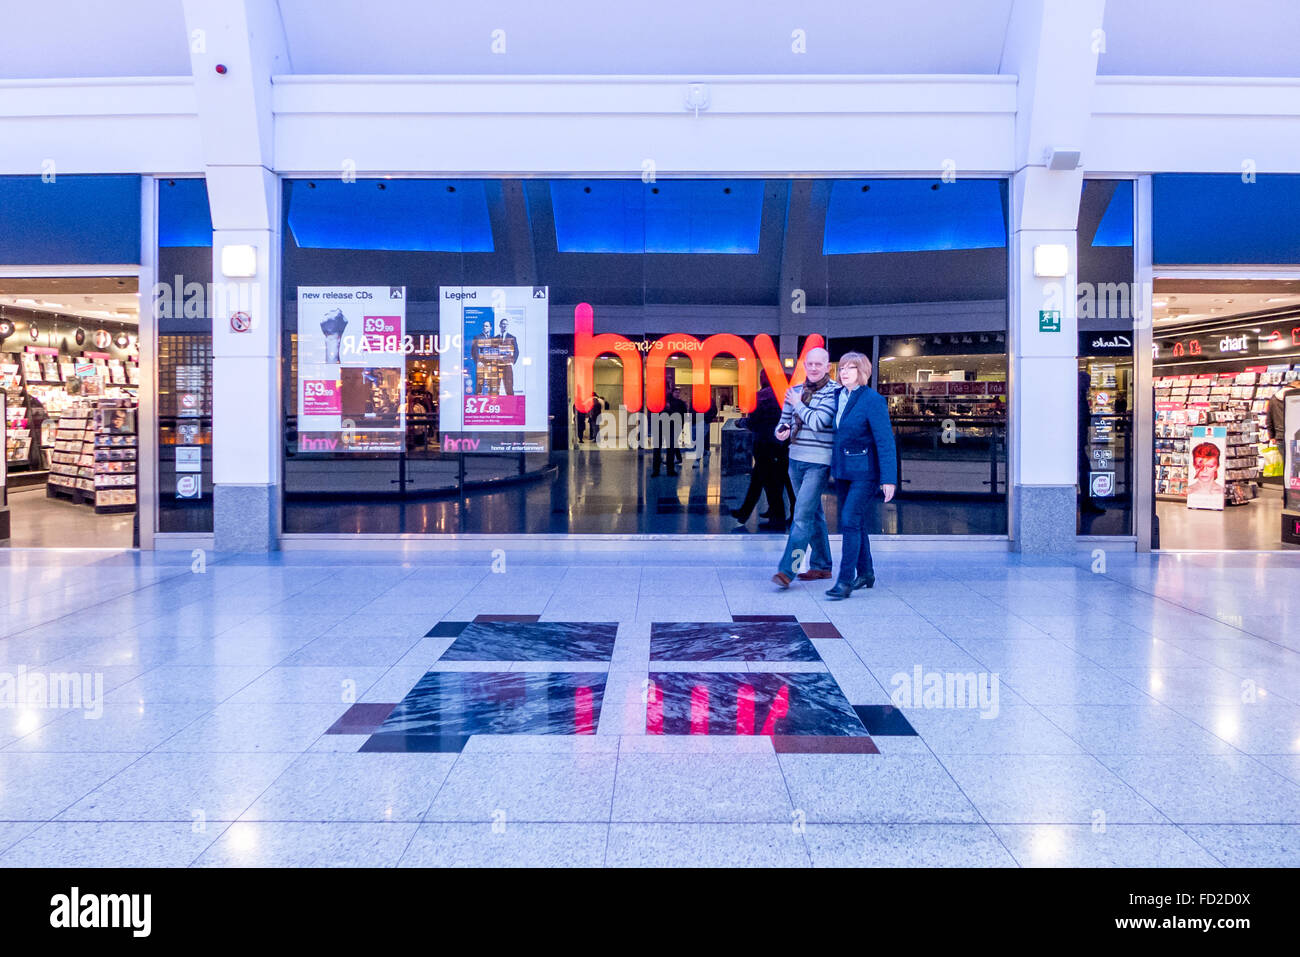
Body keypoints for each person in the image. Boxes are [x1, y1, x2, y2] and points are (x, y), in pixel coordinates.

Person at [824, 352, 897, 599]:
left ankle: (844, 581)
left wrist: (889, 479)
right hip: (843, 470)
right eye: (842, 368)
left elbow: (885, 440)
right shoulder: (837, 396)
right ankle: (866, 573)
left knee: (848, 520)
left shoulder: (872, 400)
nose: (844, 372)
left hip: (866, 473)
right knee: (856, 522)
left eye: (851, 368)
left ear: (863, 372)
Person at [772, 347, 838, 588]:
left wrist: (798, 405)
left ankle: (787, 570)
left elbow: (820, 423)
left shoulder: (834, 393)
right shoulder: (794, 391)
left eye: (818, 364)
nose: (812, 368)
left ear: (827, 366)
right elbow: (783, 423)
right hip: (795, 459)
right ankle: (822, 566)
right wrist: (782, 433)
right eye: (809, 364)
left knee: (801, 515)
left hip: (819, 462)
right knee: (814, 513)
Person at [731, 371, 786, 530]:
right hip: (778, 443)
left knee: (769, 482)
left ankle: (778, 519)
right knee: (759, 480)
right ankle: (744, 513)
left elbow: (753, 422)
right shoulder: (782, 395)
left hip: (763, 443)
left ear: (762, 379)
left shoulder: (760, 396)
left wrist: (740, 422)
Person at [652, 387, 687, 476]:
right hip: (666, 426)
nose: (677, 393)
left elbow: (683, 416)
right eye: (676, 392)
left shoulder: (676, 403)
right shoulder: (676, 403)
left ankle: (659, 470)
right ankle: (666, 470)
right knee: (666, 448)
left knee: (665, 448)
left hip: (667, 426)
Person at [497, 316, 520, 395]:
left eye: (506, 324)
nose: (504, 326)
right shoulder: (495, 338)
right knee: (496, 386)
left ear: (508, 326)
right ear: (500, 325)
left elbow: (516, 351)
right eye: (503, 324)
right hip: (497, 366)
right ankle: (494, 405)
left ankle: (511, 405)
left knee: (509, 386)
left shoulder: (512, 337)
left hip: (507, 366)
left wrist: (512, 362)